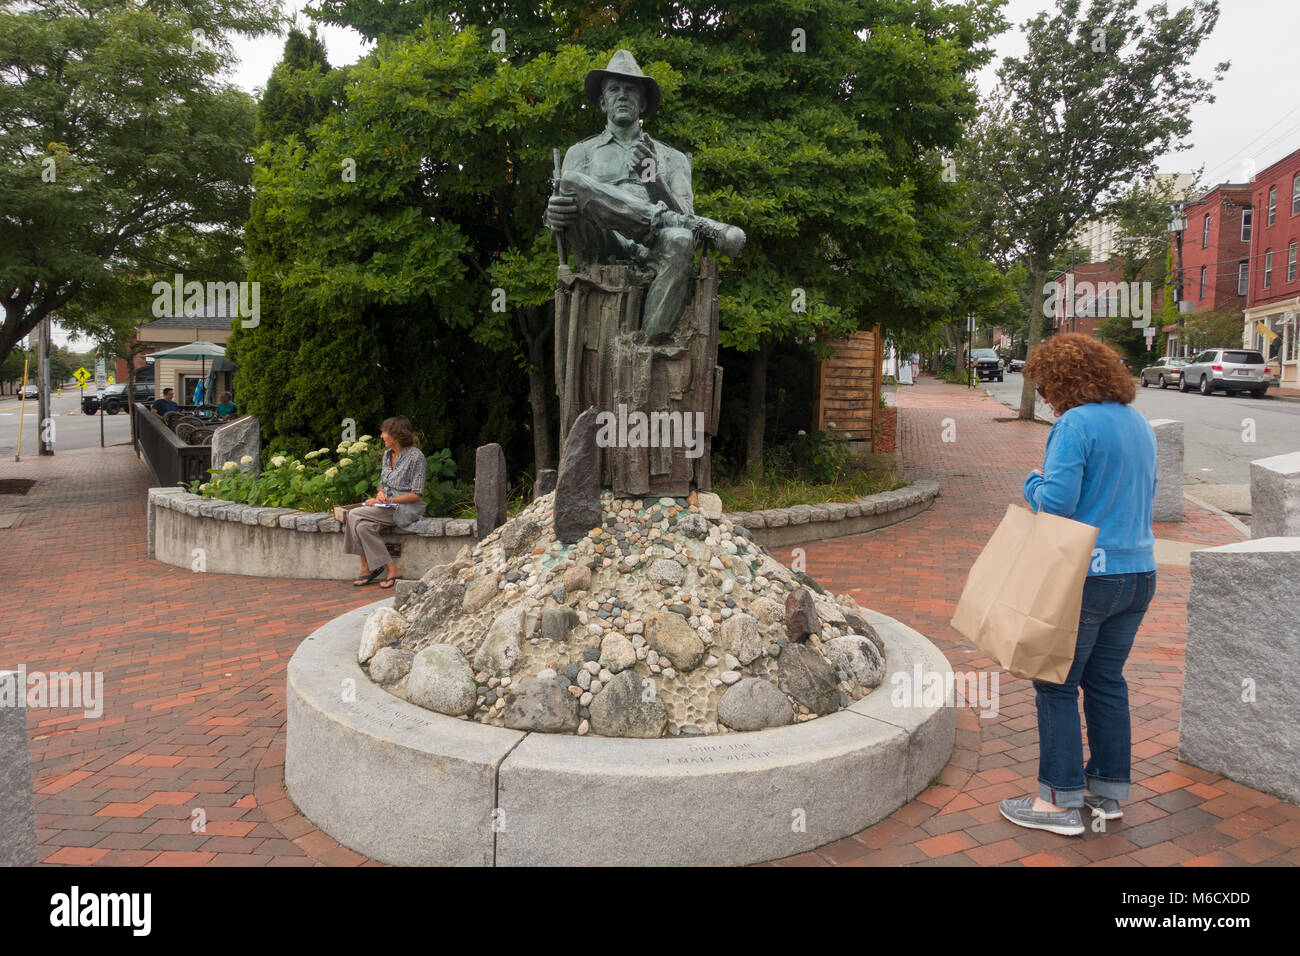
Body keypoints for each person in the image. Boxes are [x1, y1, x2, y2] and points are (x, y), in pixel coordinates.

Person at [998, 333, 1157, 837]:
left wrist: (1030, 481)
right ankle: (1107, 794)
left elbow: (1057, 503)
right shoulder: (1138, 423)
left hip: (1088, 577)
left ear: (1064, 381)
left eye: (1045, 386)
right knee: (1107, 682)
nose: (1044, 396)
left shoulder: (1074, 424)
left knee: (1056, 684)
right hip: (1139, 574)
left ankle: (1057, 804)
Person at [544, 50, 745, 342]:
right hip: (599, 245)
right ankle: (659, 220)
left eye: (630, 90)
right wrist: (552, 215)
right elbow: (561, 213)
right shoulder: (581, 152)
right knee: (571, 182)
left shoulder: (670, 157)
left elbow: (684, 219)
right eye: (614, 89)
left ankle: (648, 346)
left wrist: (654, 181)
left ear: (643, 103)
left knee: (681, 237)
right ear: (603, 101)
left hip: (653, 252)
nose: (622, 96)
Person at [343, 416, 427, 589]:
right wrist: (380, 495)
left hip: (405, 508)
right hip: (386, 507)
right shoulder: (387, 455)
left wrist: (390, 500)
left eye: (384, 432)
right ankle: (391, 569)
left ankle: (366, 567)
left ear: (396, 435)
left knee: (353, 513)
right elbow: (383, 485)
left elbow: (416, 494)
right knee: (362, 527)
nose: (381, 436)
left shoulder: (416, 457)